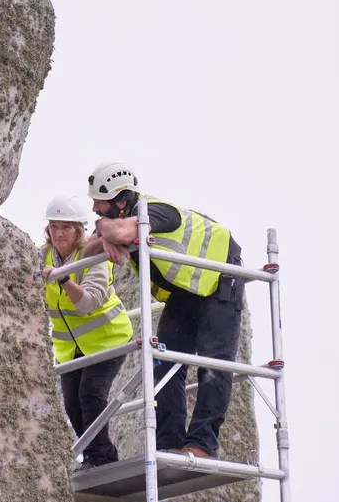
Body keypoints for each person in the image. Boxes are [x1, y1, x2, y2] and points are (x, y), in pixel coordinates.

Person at [79, 161, 244, 460]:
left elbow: (126, 231)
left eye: (98, 203)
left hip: (222, 279)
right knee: (164, 362)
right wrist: (108, 238)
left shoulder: (155, 211)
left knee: (214, 364)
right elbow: (87, 250)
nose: (94, 210)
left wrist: (111, 232)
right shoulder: (119, 218)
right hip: (187, 292)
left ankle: (203, 444)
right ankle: (170, 443)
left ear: (120, 201)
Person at [39, 194, 135, 470]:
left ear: (79, 230)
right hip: (71, 347)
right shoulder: (43, 255)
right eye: (54, 226)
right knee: (71, 403)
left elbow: (88, 303)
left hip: (108, 338)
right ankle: (94, 456)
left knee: (91, 394)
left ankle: (102, 457)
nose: (58, 233)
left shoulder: (92, 257)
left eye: (65, 227)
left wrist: (63, 277)